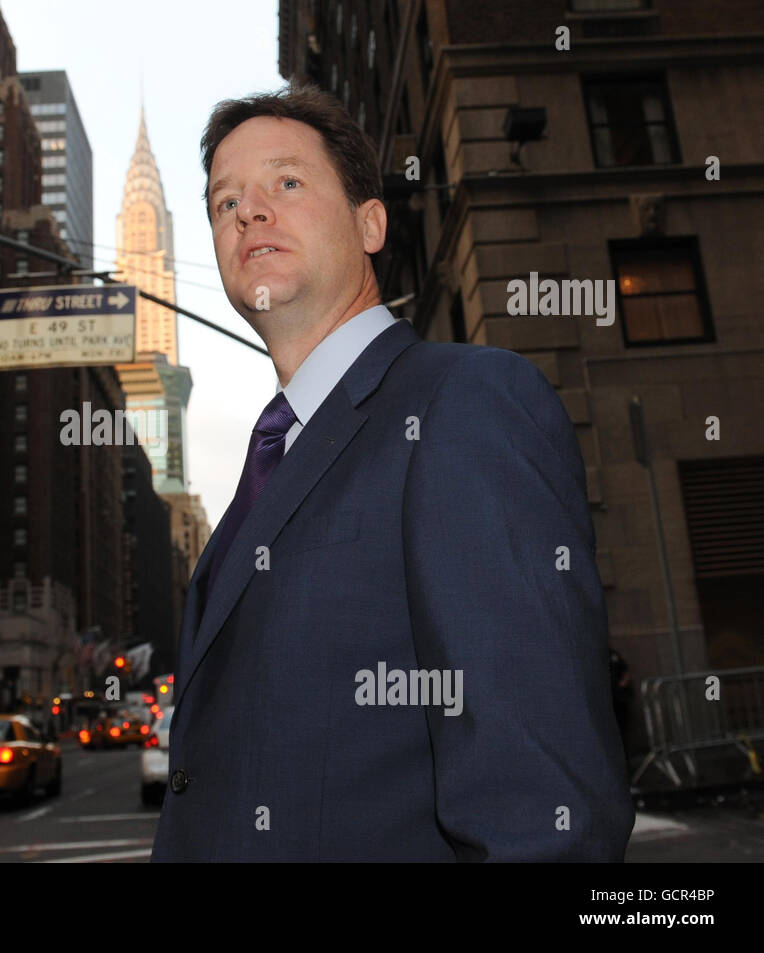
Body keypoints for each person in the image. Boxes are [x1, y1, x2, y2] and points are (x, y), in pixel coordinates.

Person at [151, 85, 633, 862]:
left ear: (370, 223)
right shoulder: (274, 456)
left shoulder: (464, 405)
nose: (248, 211)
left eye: (288, 182)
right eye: (224, 201)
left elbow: (543, 818)